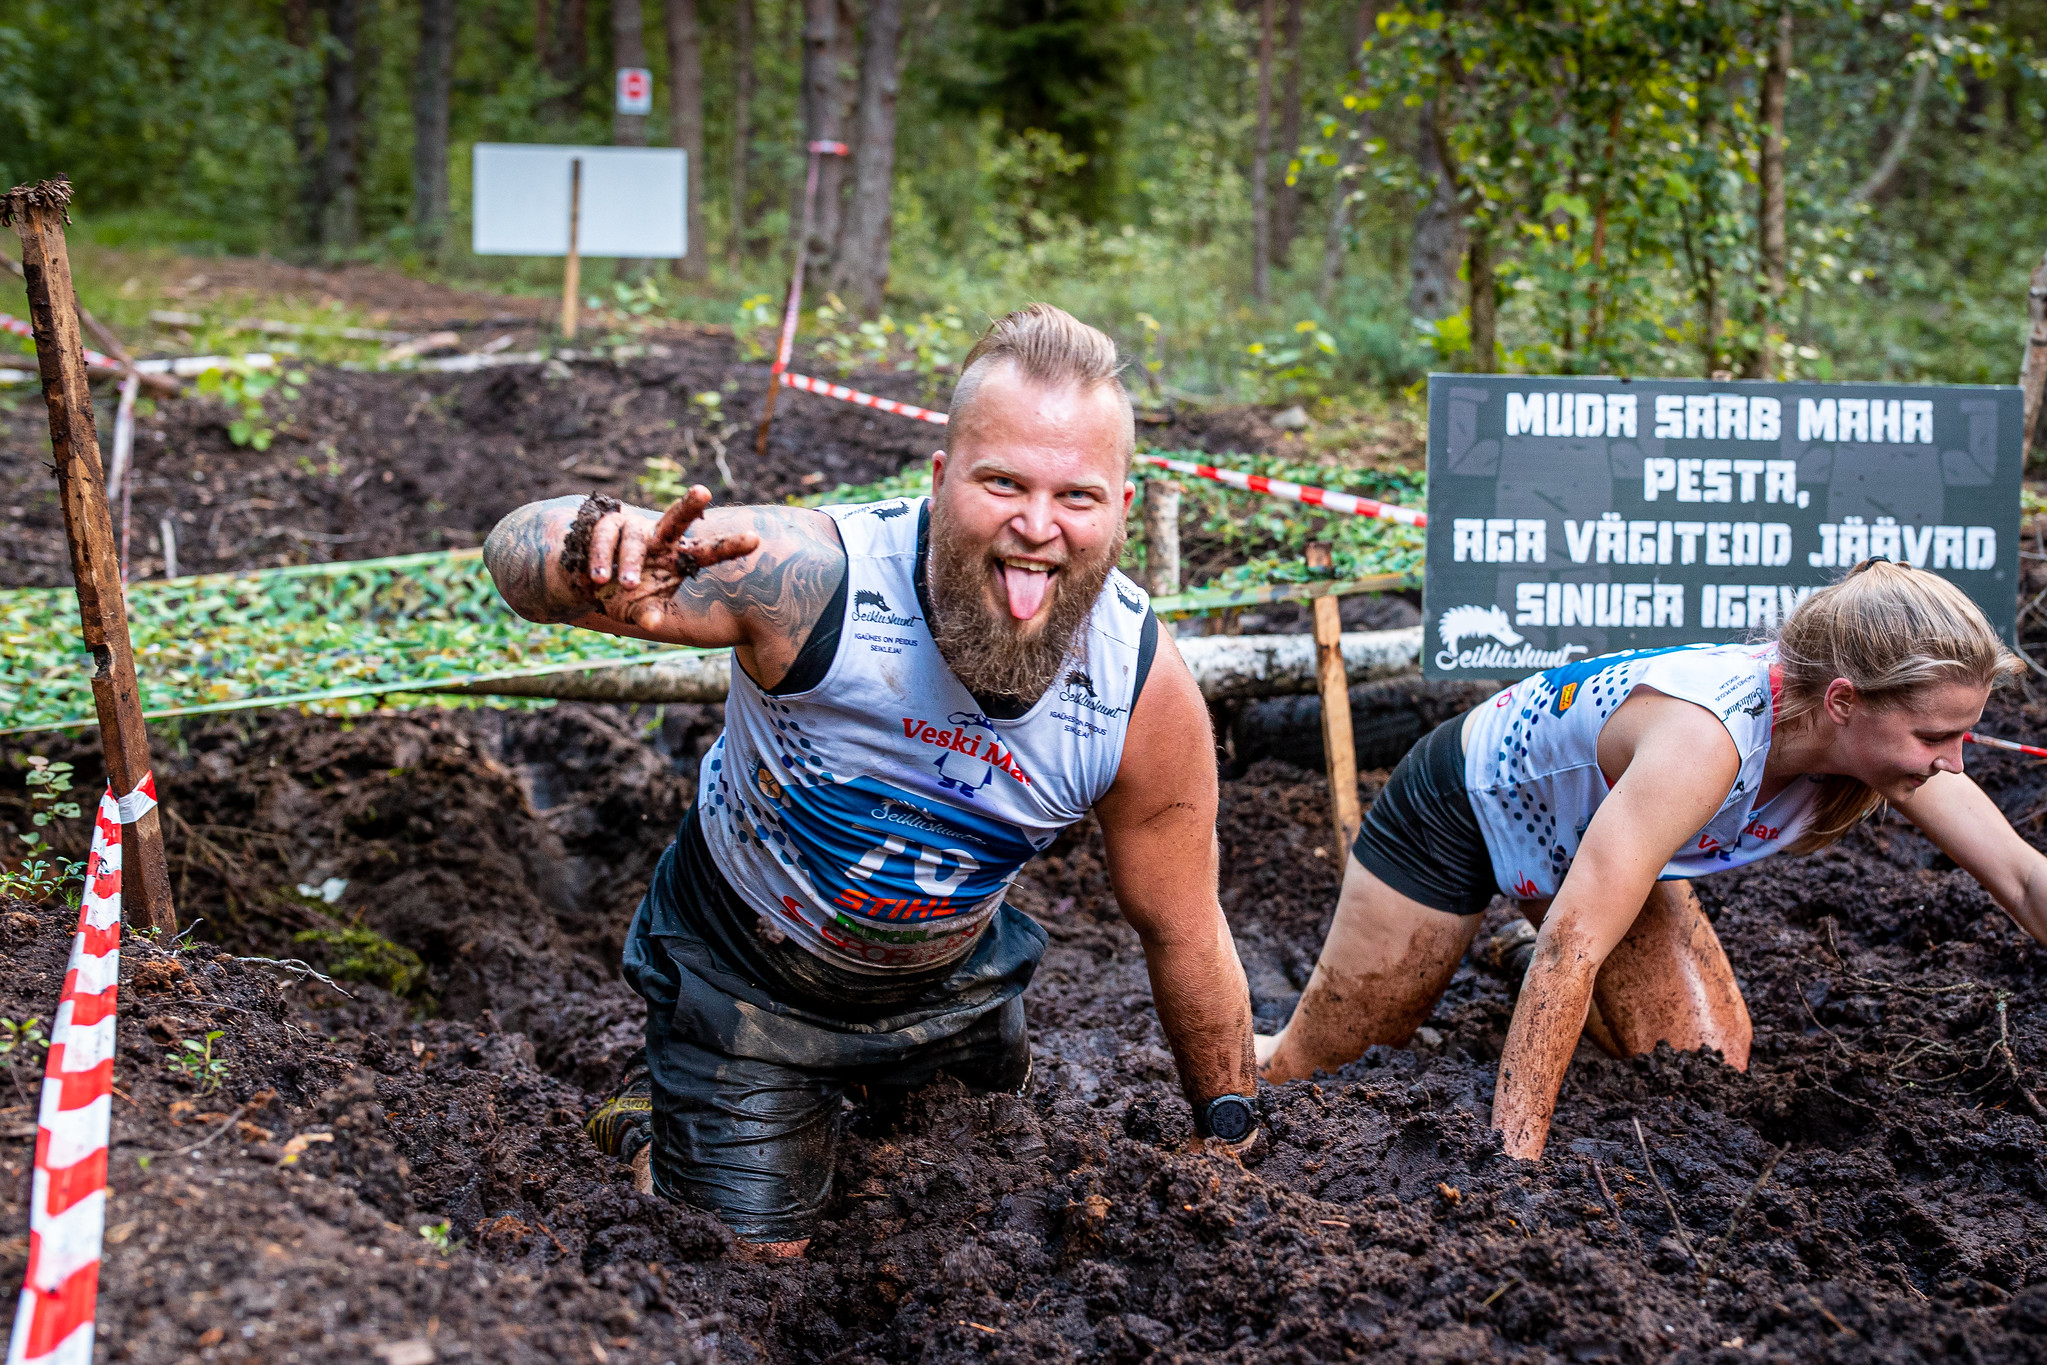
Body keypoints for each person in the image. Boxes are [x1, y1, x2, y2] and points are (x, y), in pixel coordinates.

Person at [483, 304, 1258, 1255]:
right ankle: (662, 1120)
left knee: (983, 1177)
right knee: (749, 1260)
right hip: (747, 967)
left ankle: (837, 1086)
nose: (1036, 527)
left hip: (950, 981)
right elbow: (516, 550)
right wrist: (592, 547)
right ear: (939, 482)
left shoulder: (1141, 688)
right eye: (1002, 482)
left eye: (1078, 498)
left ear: (1123, 511)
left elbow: (1182, 921)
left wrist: (1231, 1127)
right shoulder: (818, 579)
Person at [1258, 559, 2044, 1160]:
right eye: (1936, 736)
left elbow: (2018, 877)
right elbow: (1576, 945)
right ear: (1843, 701)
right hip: (1463, 806)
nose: (1953, 761)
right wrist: (1512, 1163)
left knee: (1699, 1062)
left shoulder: (1891, 749)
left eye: (1962, 733)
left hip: (1588, 845)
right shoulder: (1707, 741)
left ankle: (1506, 953)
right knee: (1316, 1064)